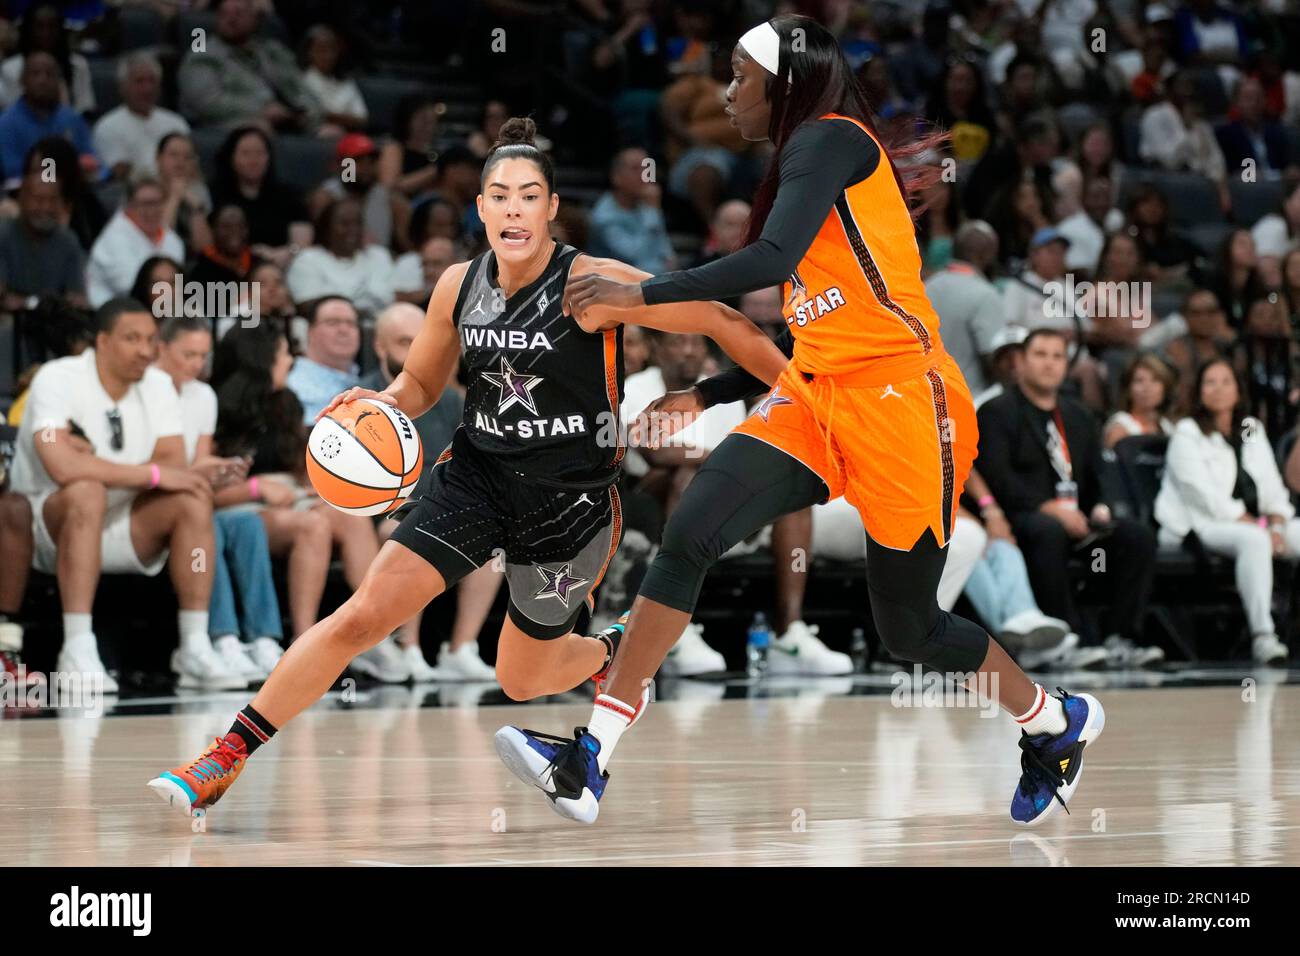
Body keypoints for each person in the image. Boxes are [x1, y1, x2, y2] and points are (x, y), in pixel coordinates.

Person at [496, 17, 1105, 827]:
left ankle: (1054, 722)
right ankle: (590, 757)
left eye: (740, 78)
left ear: (785, 84)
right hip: (817, 396)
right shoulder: (808, 164)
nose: (726, 94)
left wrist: (637, 295)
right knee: (693, 529)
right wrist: (712, 394)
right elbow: (809, 322)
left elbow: (768, 265)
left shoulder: (827, 137)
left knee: (910, 627)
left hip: (902, 402)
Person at [148, 116, 787, 817]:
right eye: (500, 195)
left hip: (569, 506)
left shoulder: (594, 283)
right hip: (475, 479)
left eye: (530, 195)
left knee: (520, 680)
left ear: (550, 209)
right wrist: (383, 401)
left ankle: (621, 648)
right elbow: (420, 384)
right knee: (362, 616)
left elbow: (726, 323)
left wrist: (785, 387)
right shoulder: (458, 284)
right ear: (480, 208)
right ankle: (225, 757)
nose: (514, 208)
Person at [8, 298, 228, 692]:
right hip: (50, 527)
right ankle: (77, 646)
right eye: (132, 339)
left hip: (127, 522)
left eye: (150, 340)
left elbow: (173, 462)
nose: (146, 350)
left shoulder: (159, 384)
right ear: (103, 341)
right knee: (86, 492)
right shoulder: (57, 377)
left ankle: (194, 643)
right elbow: (62, 467)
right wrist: (148, 473)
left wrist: (110, 466)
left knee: (193, 495)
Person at [977, 329, 1163, 669]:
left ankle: (1120, 637)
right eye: (1040, 355)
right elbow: (997, 477)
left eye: (1057, 356)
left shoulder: (1078, 414)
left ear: (1067, 365)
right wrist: (1049, 508)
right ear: (1022, 362)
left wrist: (1102, 506)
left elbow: (1099, 473)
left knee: (1136, 538)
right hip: (1024, 517)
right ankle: (1067, 639)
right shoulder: (997, 412)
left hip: (1079, 518)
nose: (1049, 364)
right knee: (1048, 531)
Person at [362, 303, 496, 682]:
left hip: (440, 505)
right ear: (380, 346)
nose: (414, 350)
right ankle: (409, 648)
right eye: (404, 342)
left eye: (420, 341)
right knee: (405, 534)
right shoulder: (365, 396)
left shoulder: (450, 399)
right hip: (384, 512)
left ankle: (461, 648)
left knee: (492, 542)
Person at [155, 314, 276, 684]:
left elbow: (199, 460)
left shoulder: (204, 394)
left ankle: (262, 639)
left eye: (202, 356)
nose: (195, 364)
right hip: (158, 499)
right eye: (187, 354)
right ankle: (220, 637)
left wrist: (222, 470)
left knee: (247, 522)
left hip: (194, 492)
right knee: (205, 523)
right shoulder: (149, 387)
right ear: (162, 349)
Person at [1154, 358, 1292, 665]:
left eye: (1226, 381)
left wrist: (1279, 526)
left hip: (1259, 524)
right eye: (1210, 382)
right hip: (1200, 526)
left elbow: (1272, 489)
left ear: (1238, 390)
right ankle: (1263, 636)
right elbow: (1205, 498)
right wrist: (1263, 530)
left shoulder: (1251, 429)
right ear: (1199, 391)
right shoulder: (1187, 433)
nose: (1218, 389)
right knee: (1253, 541)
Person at [86, 175, 185, 308]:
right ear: (130, 205)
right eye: (145, 203)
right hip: (112, 314)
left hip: (162, 312)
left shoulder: (172, 240)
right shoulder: (113, 239)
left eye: (157, 203)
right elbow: (132, 288)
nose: (151, 210)